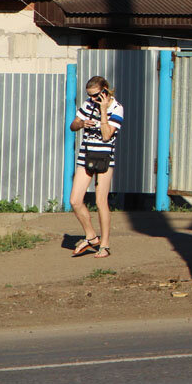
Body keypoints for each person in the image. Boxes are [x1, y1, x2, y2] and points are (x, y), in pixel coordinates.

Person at [68, 76, 124, 258]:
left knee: (101, 202)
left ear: (105, 90)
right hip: (85, 156)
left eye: (96, 95)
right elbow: (73, 125)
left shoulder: (117, 108)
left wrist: (103, 110)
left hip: (105, 159)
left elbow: (107, 136)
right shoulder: (87, 105)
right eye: (90, 96)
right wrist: (82, 123)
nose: (92, 99)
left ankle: (105, 245)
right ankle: (91, 236)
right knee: (75, 200)